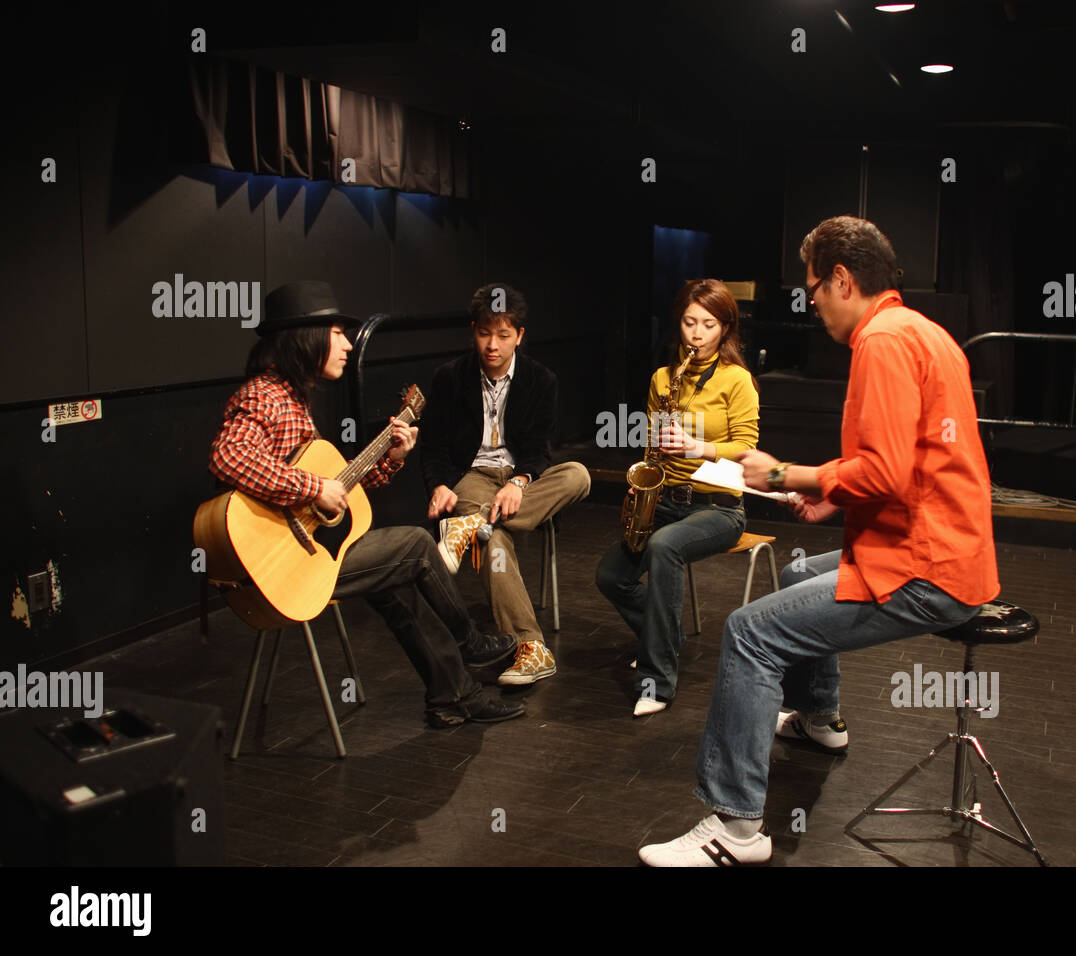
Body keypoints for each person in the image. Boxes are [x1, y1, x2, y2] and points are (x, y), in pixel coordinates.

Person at [637, 217, 1001, 866]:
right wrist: (835, 492)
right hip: (948, 550)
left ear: (842, 278)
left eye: (813, 288)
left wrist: (783, 474)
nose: (811, 302)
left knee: (750, 632)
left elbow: (886, 471)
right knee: (797, 571)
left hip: (925, 568)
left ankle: (736, 829)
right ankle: (819, 717)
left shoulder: (883, 342)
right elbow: (912, 466)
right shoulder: (927, 332)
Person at [208, 280, 524, 729]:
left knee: (395, 582)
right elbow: (228, 456)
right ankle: (468, 641)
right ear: (305, 337)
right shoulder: (265, 396)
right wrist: (311, 488)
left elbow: (339, 486)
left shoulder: (294, 400)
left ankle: (453, 697)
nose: (348, 343)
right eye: (337, 333)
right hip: (279, 570)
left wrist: (390, 458)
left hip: (301, 557)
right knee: (416, 544)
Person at [596, 279, 759, 717]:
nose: (697, 334)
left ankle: (656, 680)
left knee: (664, 546)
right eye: (690, 323)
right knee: (612, 575)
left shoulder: (737, 380)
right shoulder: (663, 379)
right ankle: (663, 635)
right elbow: (653, 444)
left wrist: (698, 447)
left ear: (725, 329)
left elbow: (747, 451)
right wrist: (644, 483)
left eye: (708, 324)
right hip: (667, 498)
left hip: (719, 507)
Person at [421, 283, 591, 686]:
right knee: (492, 540)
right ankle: (530, 649)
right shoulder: (449, 378)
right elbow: (434, 448)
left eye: (503, 334)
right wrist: (440, 485)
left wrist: (518, 481)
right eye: (484, 332)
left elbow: (538, 448)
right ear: (473, 331)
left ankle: (467, 526)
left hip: (521, 480)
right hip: (473, 476)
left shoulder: (540, 379)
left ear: (520, 336)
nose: (492, 345)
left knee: (578, 475)